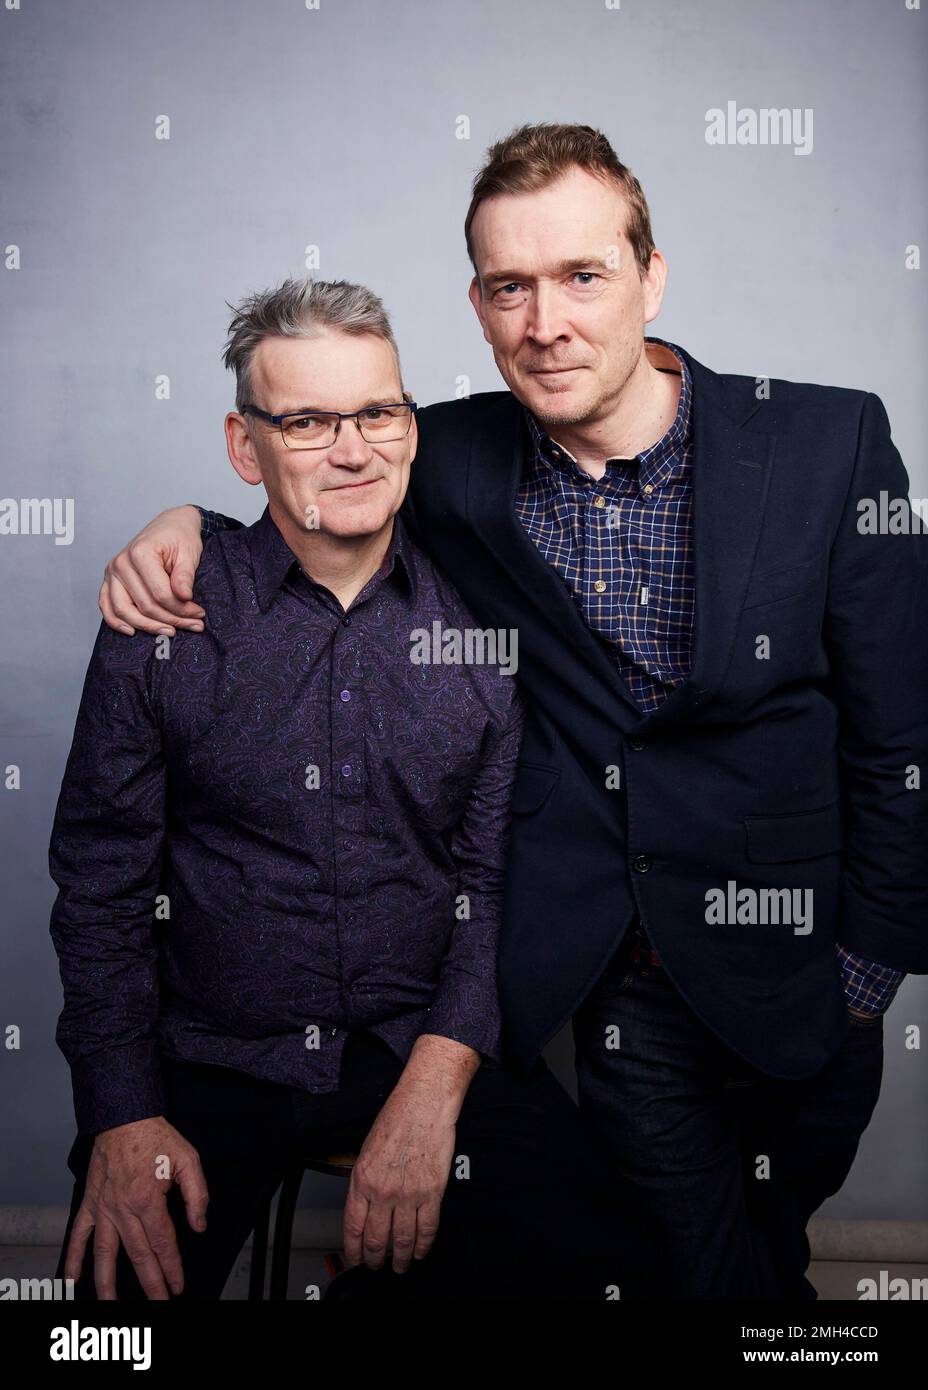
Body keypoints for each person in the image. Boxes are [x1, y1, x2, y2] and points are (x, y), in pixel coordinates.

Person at [96, 123, 928, 1300]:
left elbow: (903, 735)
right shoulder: (447, 454)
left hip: (796, 965)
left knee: (761, 1251)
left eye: (583, 275)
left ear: (651, 273)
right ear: (479, 305)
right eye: (509, 287)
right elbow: (314, 477)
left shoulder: (826, 442)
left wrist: (864, 974)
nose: (546, 323)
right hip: (593, 985)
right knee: (703, 1275)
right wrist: (188, 523)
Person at [49, 277, 636, 1302]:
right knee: (100, 1324)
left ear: (410, 426)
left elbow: (488, 885)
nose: (355, 449)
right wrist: (120, 1110)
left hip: (417, 1038)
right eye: (310, 421)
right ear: (246, 447)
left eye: (378, 412)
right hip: (211, 1054)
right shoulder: (164, 619)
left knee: (607, 1268)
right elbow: (101, 885)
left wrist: (437, 1080)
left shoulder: (486, 633)